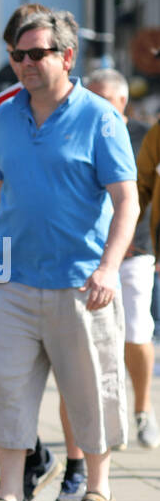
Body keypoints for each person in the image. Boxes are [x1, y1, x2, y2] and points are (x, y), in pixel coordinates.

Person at [0, 9, 137, 501]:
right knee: (5, 386)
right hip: (14, 282)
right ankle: (12, 499)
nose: (24, 64)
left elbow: (127, 202)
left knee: (90, 389)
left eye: (36, 54)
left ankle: (99, 493)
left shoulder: (99, 117)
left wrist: (110, 268)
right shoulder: (6, 116)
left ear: (66, 56)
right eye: (17, 55)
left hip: (82, 282)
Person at [89, 68, 157, 449]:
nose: (95, 106)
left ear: (122, 102)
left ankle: (143, 410)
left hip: (136, 249)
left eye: (103, 99)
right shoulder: (79, 130)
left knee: (136, 330)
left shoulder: (144, 137)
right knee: (94, 341)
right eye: (91, 96)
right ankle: (102, 421)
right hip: (89, 253)